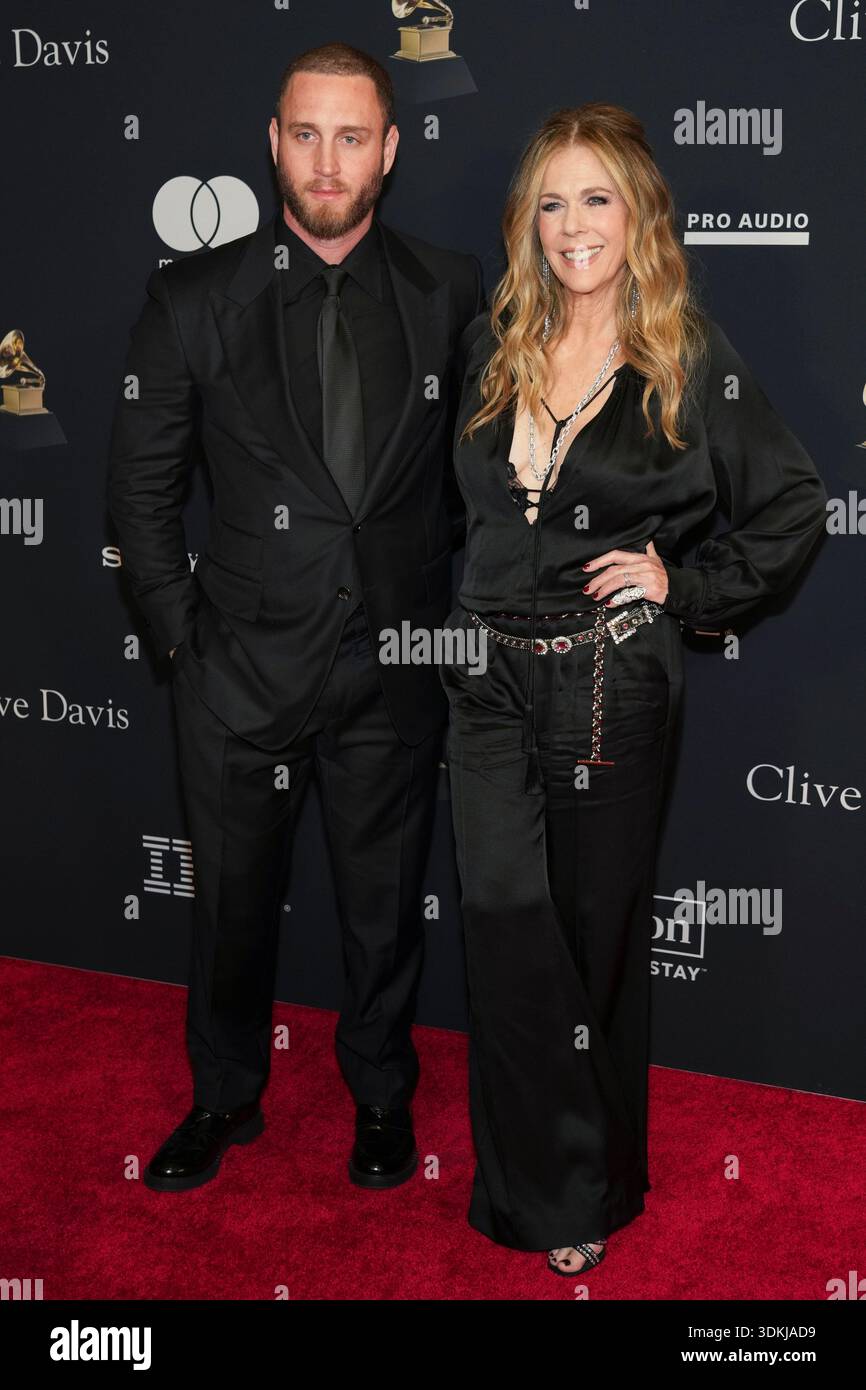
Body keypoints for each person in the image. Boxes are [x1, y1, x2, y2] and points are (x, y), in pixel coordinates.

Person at [440, 103, 827, 1277]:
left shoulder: (683, 358)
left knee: (590, 942)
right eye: (549, 202)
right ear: (527, 223)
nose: (572, 225)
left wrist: (681, 579)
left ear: (638, 214)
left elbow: (792, 503)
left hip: (609, 683)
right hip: (482, 681)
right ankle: (529, 1172)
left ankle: (583, 1185)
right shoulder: (494, 340)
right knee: (507, 932)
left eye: (595, 198)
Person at [107, 43, 483, 1193]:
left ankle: (380, 1098)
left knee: (383, 914)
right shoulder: (192, 297)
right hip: (238, 675)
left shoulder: (450, 290)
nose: (328, 160)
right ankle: (224, 1096)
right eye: (306, 133)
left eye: (352, 135)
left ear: (391, 148)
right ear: (272, 142)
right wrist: (186, 646)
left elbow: (479, 484)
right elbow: (141, 492)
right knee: (226, 912)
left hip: (392, 672)